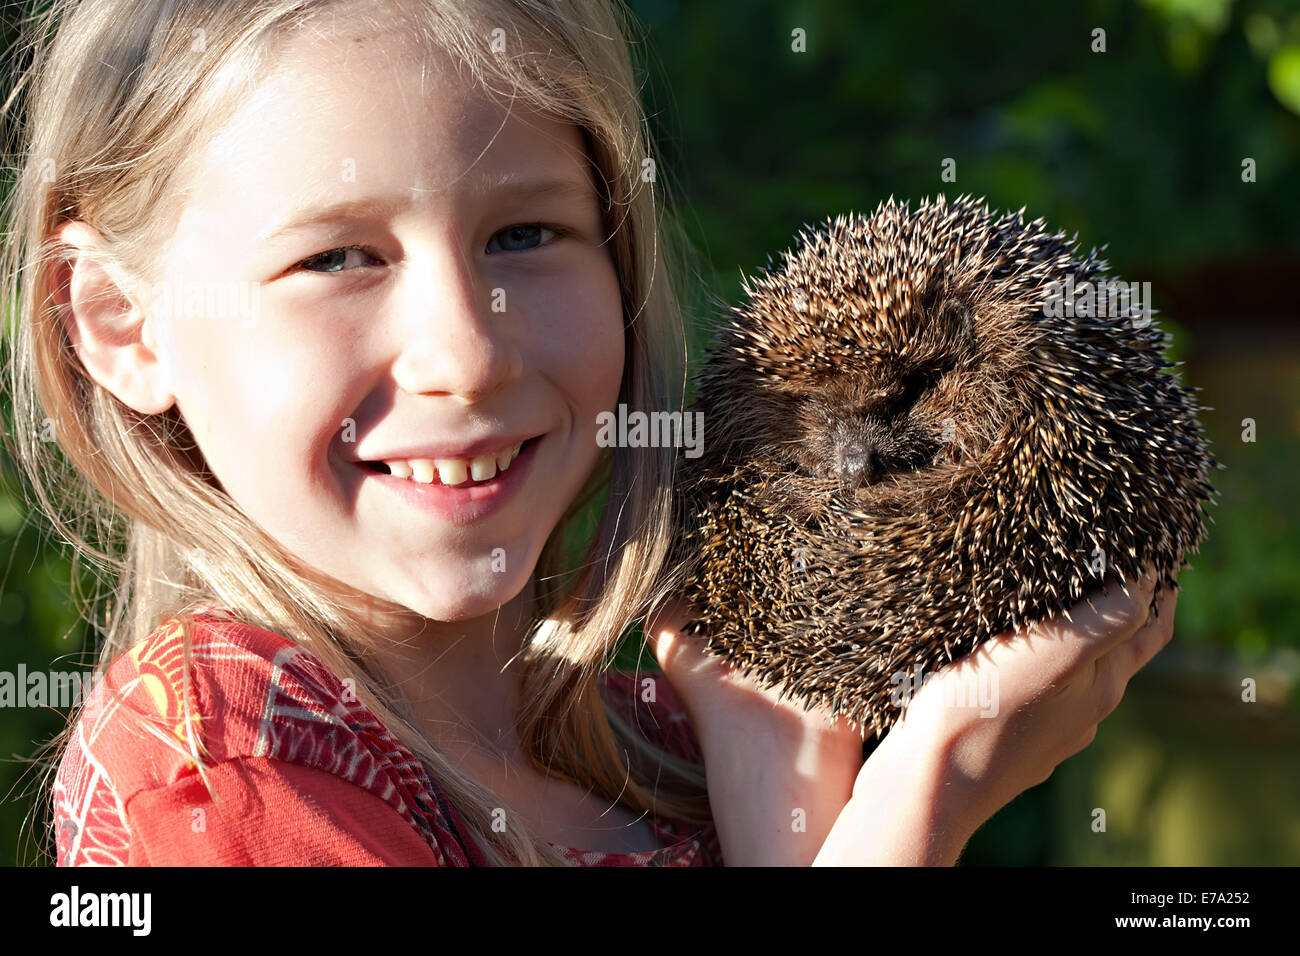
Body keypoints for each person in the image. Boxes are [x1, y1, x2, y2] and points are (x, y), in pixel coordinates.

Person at [1, 0, 1177, 867]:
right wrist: (917, 808)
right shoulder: (222, 776)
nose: (466, 353)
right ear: (120, 322)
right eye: (337, 258)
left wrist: (780, 798)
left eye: (525, 234)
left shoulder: (685, 744)